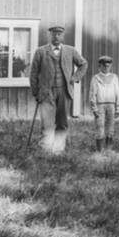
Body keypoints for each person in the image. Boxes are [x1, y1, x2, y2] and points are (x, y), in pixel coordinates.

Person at [27, 24, 87, 153]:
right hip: (46, 93)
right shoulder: (41, 51)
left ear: (63, 36)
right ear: (50, 35)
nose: (56, 36)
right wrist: (36, 92)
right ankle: (45, 149)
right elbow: (33, 74)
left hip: (64, 92)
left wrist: (75, 78)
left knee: (62, 122)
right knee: (47, 123)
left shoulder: (71, 51)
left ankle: (58, 150)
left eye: (59, 34)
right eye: (54, 34)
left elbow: (83, 64)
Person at [89, 55, 119, 151]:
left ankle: (108, 149)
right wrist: (94, 108)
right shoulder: (96, 78)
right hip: (100, 105)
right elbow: (92, 94)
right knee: (100, 126)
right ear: (100, 66)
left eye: (108, 66)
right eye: (104, 66)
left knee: (110, 127)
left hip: (111, 105)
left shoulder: (114, 77)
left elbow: (117, 93)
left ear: (110, 66)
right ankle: (100, 150)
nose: (106, 68)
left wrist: (118, 108)